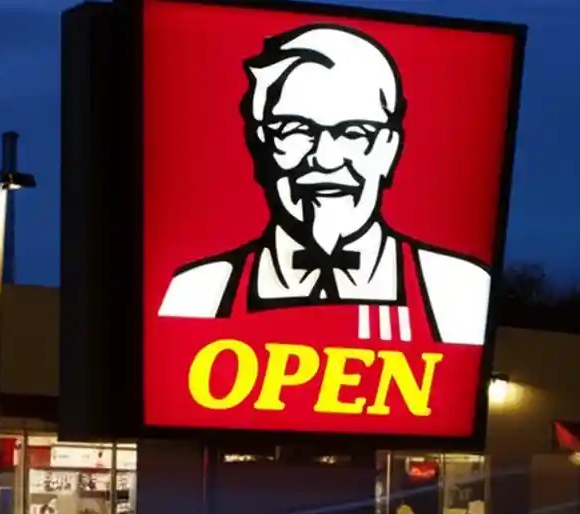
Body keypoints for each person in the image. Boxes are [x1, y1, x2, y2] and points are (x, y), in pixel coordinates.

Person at [157, 24, 491, 346]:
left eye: (355, 133)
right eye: (296, 130)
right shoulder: (200, 293)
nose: (326, 159)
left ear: (389, 148)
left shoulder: (458, 290)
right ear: (262, 146)